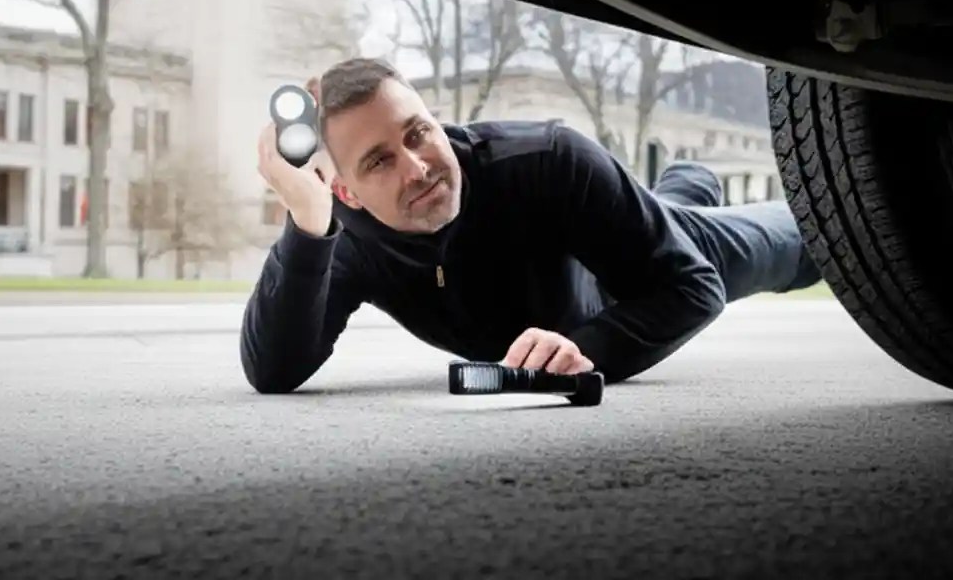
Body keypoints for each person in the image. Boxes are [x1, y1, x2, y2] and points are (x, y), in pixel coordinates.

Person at [241, 57, 822, 393]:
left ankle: (683, 192)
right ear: (347, 193)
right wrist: (307, 224)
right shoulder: (347, 237)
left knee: (815, 235)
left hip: (627, 270)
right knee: (661, 205)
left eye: (418, 131)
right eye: (378, 160)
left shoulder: (549, 159)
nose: (417, 167)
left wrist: (588, 350)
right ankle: (683, 183)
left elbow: (693, 285)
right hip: (617, 225)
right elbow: (274, 370)